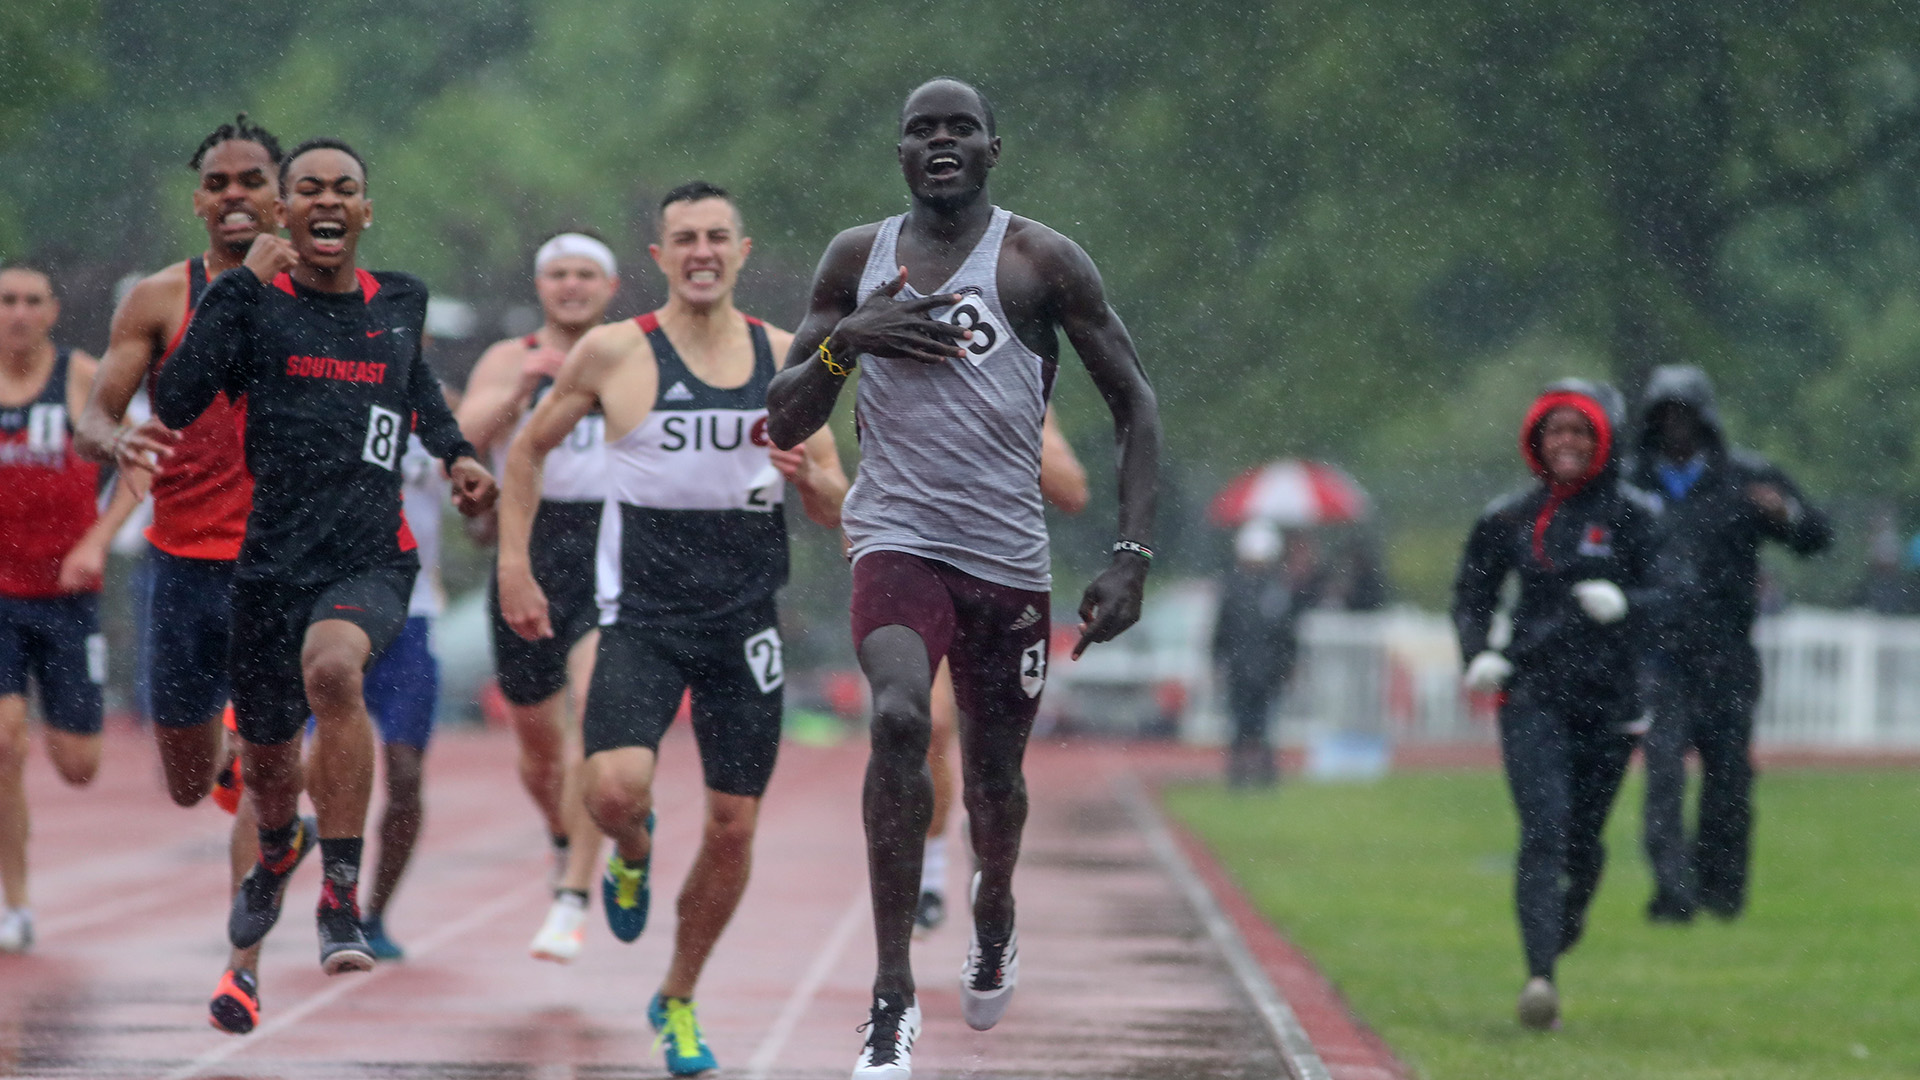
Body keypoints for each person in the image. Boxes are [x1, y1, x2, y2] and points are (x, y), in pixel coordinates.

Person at [765, 78, 1161, 1079]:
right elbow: (785, 420)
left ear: (994, 148)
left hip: (1007, 563)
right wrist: (847, 343)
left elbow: (1135, 407)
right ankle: (891, 996)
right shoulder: (857, 260)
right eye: (921, 131)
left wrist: (1130, 555)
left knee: (993, 782)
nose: (941, 142)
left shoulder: (1040, 260)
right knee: (899, 717)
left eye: (960, 130)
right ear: (899, 153)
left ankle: (994, 907)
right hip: (897, 541)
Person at [499, 181, 846, 1077]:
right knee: (613, 789)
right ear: (658, 257)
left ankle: (679, 996)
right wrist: (513, 564)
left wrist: (807, 475)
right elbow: (529, 450)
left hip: (744, 626)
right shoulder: (617, 352)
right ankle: (631, 854)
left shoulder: (790, 358)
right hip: (642, 618)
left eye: (716, 237)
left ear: (741, 251)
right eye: (683, 238)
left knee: (733, 826)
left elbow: (837, 511)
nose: (701, 251)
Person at [155, 138, 495, 977]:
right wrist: (238, 286)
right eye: (308, 189)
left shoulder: (401, 300)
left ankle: (340, 900)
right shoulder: (257, 305)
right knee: (269, 768)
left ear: (366, 210)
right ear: (282, 211)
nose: (328, 201)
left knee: (335, 671)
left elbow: (414, 384)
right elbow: (175, 398)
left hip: (371, 558)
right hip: (268, 566)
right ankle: (279, 849)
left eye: (345, 189)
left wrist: (456, 453)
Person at [74, 114, 282, 808]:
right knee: (189, 786)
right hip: (185, 562)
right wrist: (115, 439)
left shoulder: (316, 294)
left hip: (280, 556)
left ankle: (282, 846)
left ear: (281, 196)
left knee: (277, 742)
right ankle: (231, 750)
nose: (234, 195)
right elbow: (93, 420)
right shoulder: (160, 298)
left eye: (252, 181)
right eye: (216, 184)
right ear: (198, 201)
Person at [1452, 379, 1663, 1031]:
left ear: (1602, 440)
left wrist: (1630, 603)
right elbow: (1471, 594)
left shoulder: (1638, 516)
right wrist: (1477, 654)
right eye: (1556, 431)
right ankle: (1540, 976)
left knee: (1583, 841)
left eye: (1580, 431)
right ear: (1537, 441)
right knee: (1543, 829)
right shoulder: (1507, 517)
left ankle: (1562, 924)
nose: (1566, 443)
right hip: (1532, 694)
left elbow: (1682, 598)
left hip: (1610, 701)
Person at [455, 231, 618, 962]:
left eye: (587, 275)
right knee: (539, 747)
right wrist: (527, 385)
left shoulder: (629, 351)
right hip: (527, 548)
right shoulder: (507, 357)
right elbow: (458, 440)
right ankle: (563, 834)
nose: (573, 286)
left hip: (610, 549)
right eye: (559, 275)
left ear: (610, 288)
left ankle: (573, 894)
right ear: (540, 285)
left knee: (596, 717)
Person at [1630, 365, 1831, 922]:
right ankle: (1672, 892)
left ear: (1704, 419)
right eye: (1665, 416)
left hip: (1726, 655)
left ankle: (1721, 891)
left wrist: (1785, 514)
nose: (1675, 427)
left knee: (1729, 780)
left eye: (1684, 415)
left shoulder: (1746, 479)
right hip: (1660, 655)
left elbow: (1816, 535)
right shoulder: (1633, 485)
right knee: (1664, 774)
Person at [0, 265, 142, 952]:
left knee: (78, 765)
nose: (19, 313)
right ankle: (16, 903)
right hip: (0, 593)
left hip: (67, 597)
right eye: (7, 301)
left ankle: (19, 825)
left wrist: (96, 539)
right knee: (4, 742)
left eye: (31, 301)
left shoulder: (84, 378)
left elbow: (139, 465)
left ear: (54, 309)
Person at [914, 408, 1086, 936]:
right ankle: (930, 873)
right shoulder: (903, 363)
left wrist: (996, 424)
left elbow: (1073, 492)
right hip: (923, 572)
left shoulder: (1020, 384)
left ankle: (991, 891)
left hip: (1001, 585)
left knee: (994, 766)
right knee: (933, 726)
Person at [356, 426, 453, 960]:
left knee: (406, 777)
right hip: (337, 606)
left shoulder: (445, 415)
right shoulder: (333, 392)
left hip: (412, 616)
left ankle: (374, 914)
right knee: (314, 770)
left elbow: (481, 521)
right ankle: (334, 894)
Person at [1210, 520, 1315, 789]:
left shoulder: (1277, 589)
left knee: (1265, 724)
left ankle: (1265, 774)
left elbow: (1287, 633)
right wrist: (1219, 662)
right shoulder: (1236, 589)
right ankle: (1239, 775)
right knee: (1241, 724)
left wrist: (1289, 664)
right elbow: (1222, 631)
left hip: (1266, 668)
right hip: (1243, 666)